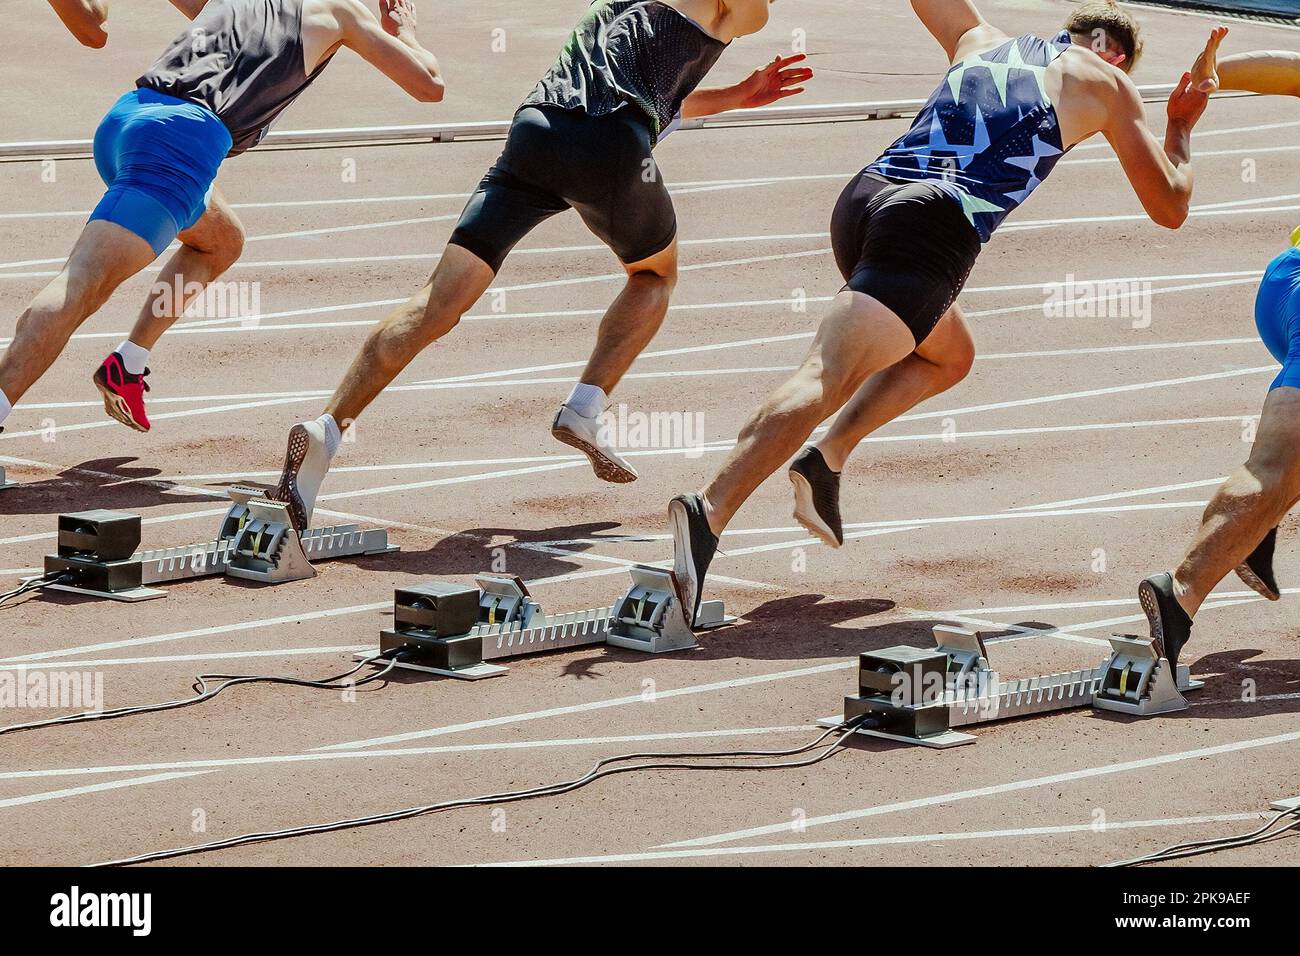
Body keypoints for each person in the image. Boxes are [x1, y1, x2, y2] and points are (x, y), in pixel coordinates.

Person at [667, 0, 1223, 625]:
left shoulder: (981, 37)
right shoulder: (1110, 83)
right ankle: (707, 511)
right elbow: (1170, 207)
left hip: (864, 200)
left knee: (949, 355)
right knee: (824, 374)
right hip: (934, 224)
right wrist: (1181, 124)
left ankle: (827, 457)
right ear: (1114, 52)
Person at [268, 0, 811, 531]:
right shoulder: (739, 10)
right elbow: (731, 29)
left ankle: (327, 429)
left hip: (538, 128)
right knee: (653, 275)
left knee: (439, 300)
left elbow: (654, 93)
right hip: (609, 143)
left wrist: (737, 96)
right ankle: (585, 406)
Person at [0, 0, 444, 437]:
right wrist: (401, 29)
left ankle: (127, 364)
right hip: (180, 143)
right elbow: (429, 85)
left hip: (127, 120)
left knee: (220, 240)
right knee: (82, 285)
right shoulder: (342, 11)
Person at [1141, 44, 1300, 669]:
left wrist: (1209, 75)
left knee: (1286, 467)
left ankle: (1252, 535)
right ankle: (1180, 589)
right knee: (1276, 466)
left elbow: (1291, 67)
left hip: (1284, 281)